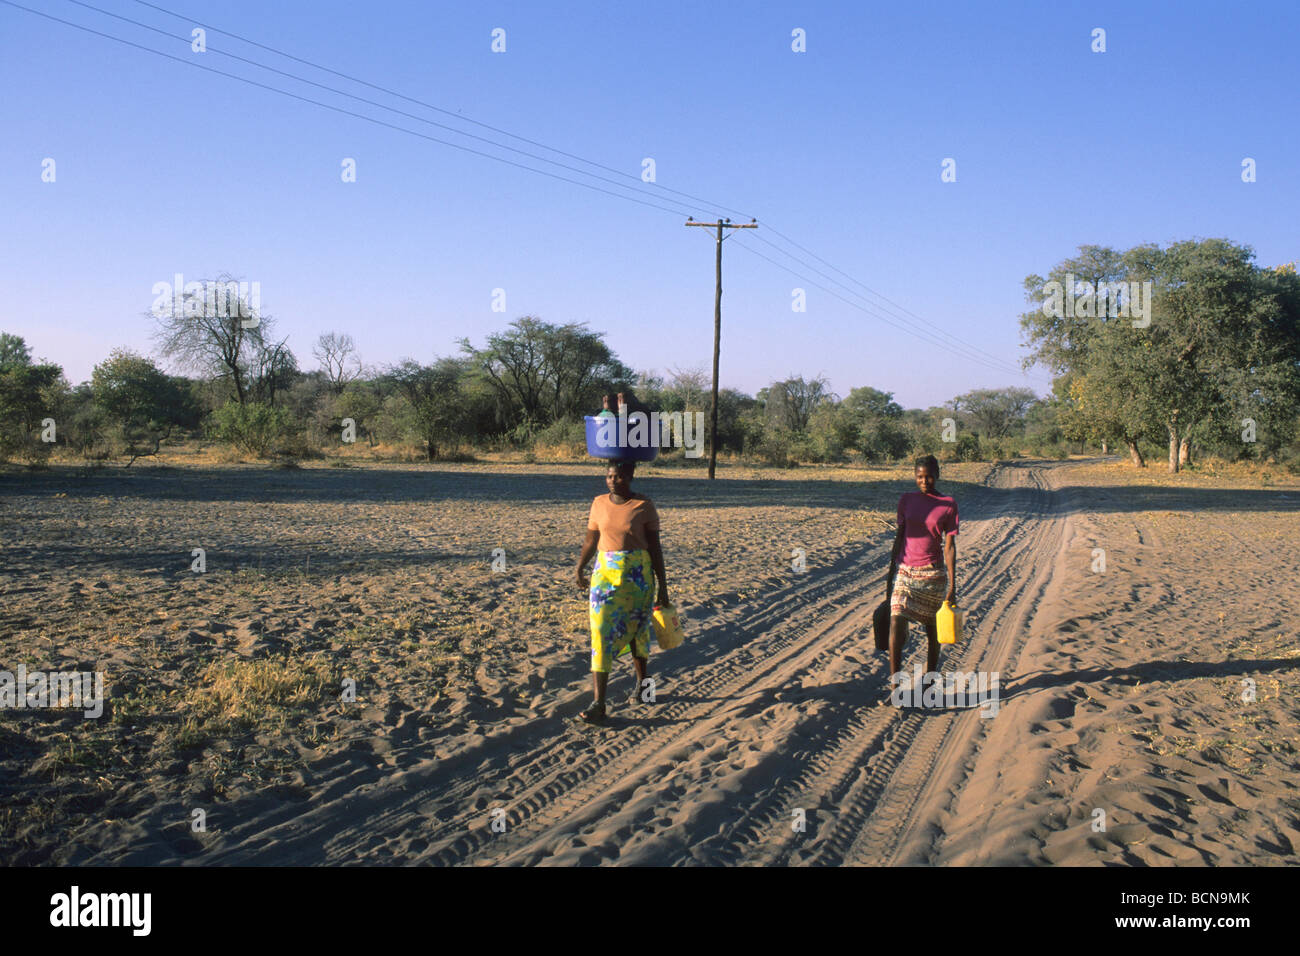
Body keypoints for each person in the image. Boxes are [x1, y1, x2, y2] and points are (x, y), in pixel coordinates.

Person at [574, 458, 670, 725]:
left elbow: (655, 548)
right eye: (609, 477)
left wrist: (663, 585)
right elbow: (591, 539)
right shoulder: (598, 503)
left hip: (637, 578)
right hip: (604, 575)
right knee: (600, 632)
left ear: (630, 476)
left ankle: (643, 687)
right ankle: (599, 703)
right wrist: (580, 567)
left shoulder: (644, 506)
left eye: (618, 477)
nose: (612, 481)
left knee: (637, 633)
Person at [885, 454, 958, 679]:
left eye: (929, 477)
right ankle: (896, 686)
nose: (924, 481)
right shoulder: (906, 500)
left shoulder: (948, 504)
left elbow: (950, 546)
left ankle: (930, 681)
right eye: (919, 477)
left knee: (932, 630)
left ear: (937, 476)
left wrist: (952, 585)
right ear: (915, 477)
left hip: (932, 575)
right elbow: (900, 536)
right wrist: (891, 572)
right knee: (896, 621)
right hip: (905, 571)